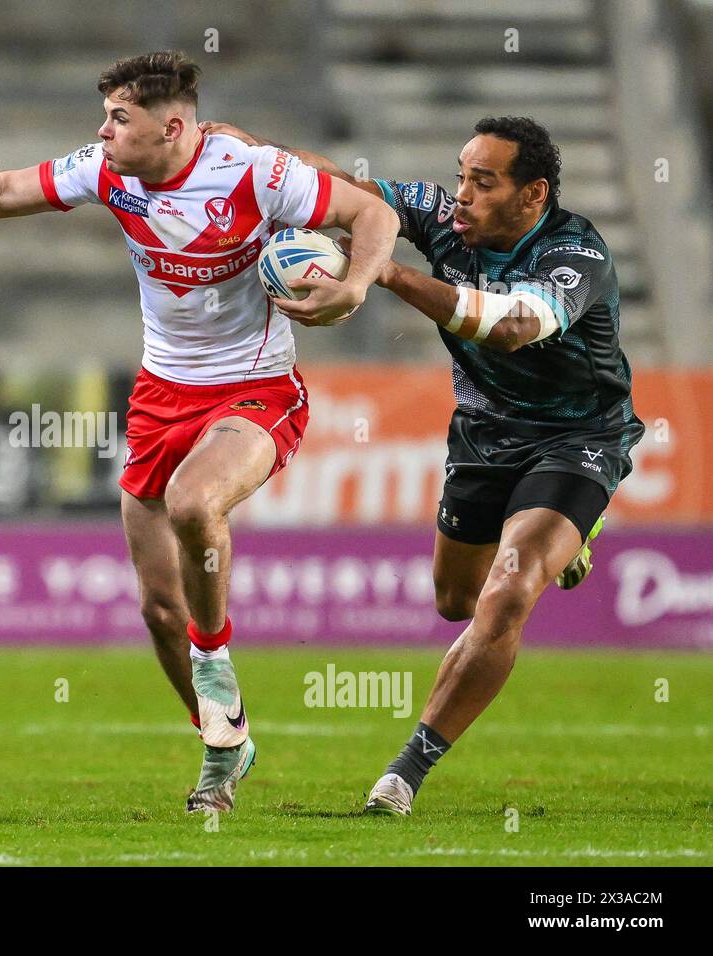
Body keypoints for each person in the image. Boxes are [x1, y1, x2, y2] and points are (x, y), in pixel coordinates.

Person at [0, 52, 397, 812]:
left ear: (172, 126)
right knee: (159, 609)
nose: (101, 132)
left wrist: (357, 284)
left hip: (256, 388)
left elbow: (374, 214)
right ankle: (224, 739)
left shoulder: (257, 172)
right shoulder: (110, 171)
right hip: (160, 396)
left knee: (193, 503)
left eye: (118, 119)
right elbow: (0, 196)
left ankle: (215, 663)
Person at [201, 116, 644, 815]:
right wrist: (254, 151)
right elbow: (340, 186)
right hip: (483, 434)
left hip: (577, 436)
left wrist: (385, 270)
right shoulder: (443, 215)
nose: (460, 194)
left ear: (533, 195)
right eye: (462, 174)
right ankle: (559, 545)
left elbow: (511, 327)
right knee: (456, 602)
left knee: (509, 592)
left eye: (482, 182)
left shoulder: (573, 253)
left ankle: (402, 775)